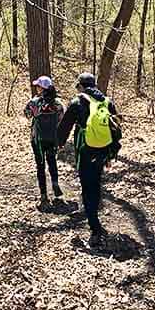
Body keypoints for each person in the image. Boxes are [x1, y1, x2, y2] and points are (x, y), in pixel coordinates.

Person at [58, 73, 120, 247]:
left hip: (85, 150)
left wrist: (59, 142)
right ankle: (93, 217)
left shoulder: (78, 101)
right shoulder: (107, 102)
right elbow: (116, 130)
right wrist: (111, 153)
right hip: (102, 150)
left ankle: (95, 228)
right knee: (96, 182)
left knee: (87, 186)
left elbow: (65, 125)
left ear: (81, 86)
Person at [24, 76, 65, 207]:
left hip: (38, 139)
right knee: (52, 162)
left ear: (42, 88)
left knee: (40, 166)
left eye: (38, 86)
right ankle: (55, 186)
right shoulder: (58, 103)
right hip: (52, 138)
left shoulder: (34, 102)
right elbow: (61, 118)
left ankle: (43, 194)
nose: (36, 88)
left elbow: (27, 114)